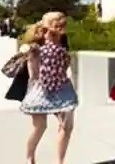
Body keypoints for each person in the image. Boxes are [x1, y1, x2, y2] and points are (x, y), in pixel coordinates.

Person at [20, 12, 77, 164]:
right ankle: (29, 158)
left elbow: (65, 65)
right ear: (50, 26)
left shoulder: (63, 40)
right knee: (40, 127)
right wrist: (29, 53)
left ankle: (60, 161)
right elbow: (32, 70)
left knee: (67, 125)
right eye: (59, 23)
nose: (63, 26)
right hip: (41, 88)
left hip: (61, 85)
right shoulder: (37, 42)